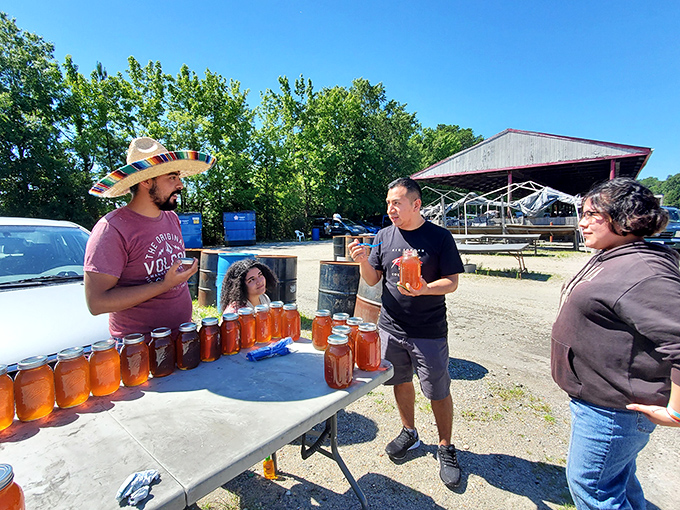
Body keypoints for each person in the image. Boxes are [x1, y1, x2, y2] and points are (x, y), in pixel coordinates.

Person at [551, 178, 680, 510]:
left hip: (614, 409)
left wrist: (677, 410)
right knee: (620, 482)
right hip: (601, 400)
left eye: (593, 214)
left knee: (592, 488)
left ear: (626, 217)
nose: (582, 222)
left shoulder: (644, 269)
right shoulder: (615, 253)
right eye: (582, 213)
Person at [348, 177, 465, 489]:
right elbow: (373, 280)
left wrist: (425, 288)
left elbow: (452, 282)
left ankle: (445, 446)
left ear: (416, 204)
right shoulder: (384, 236)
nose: (390, 209)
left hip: (428, 331)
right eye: (388, 203)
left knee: (437, 390)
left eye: (396, 203)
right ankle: (409, 432)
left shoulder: (440, 237)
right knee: (400, 381)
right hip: (391, 327)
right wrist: (362, 261)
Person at [84, 137, 215, 339]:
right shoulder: (111, 229)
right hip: (139, 349)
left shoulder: (172, 218)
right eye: (172, 177)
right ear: (146, 180)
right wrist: (164, 284)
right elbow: (97, 303)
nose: (180, 185)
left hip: (182, 336)